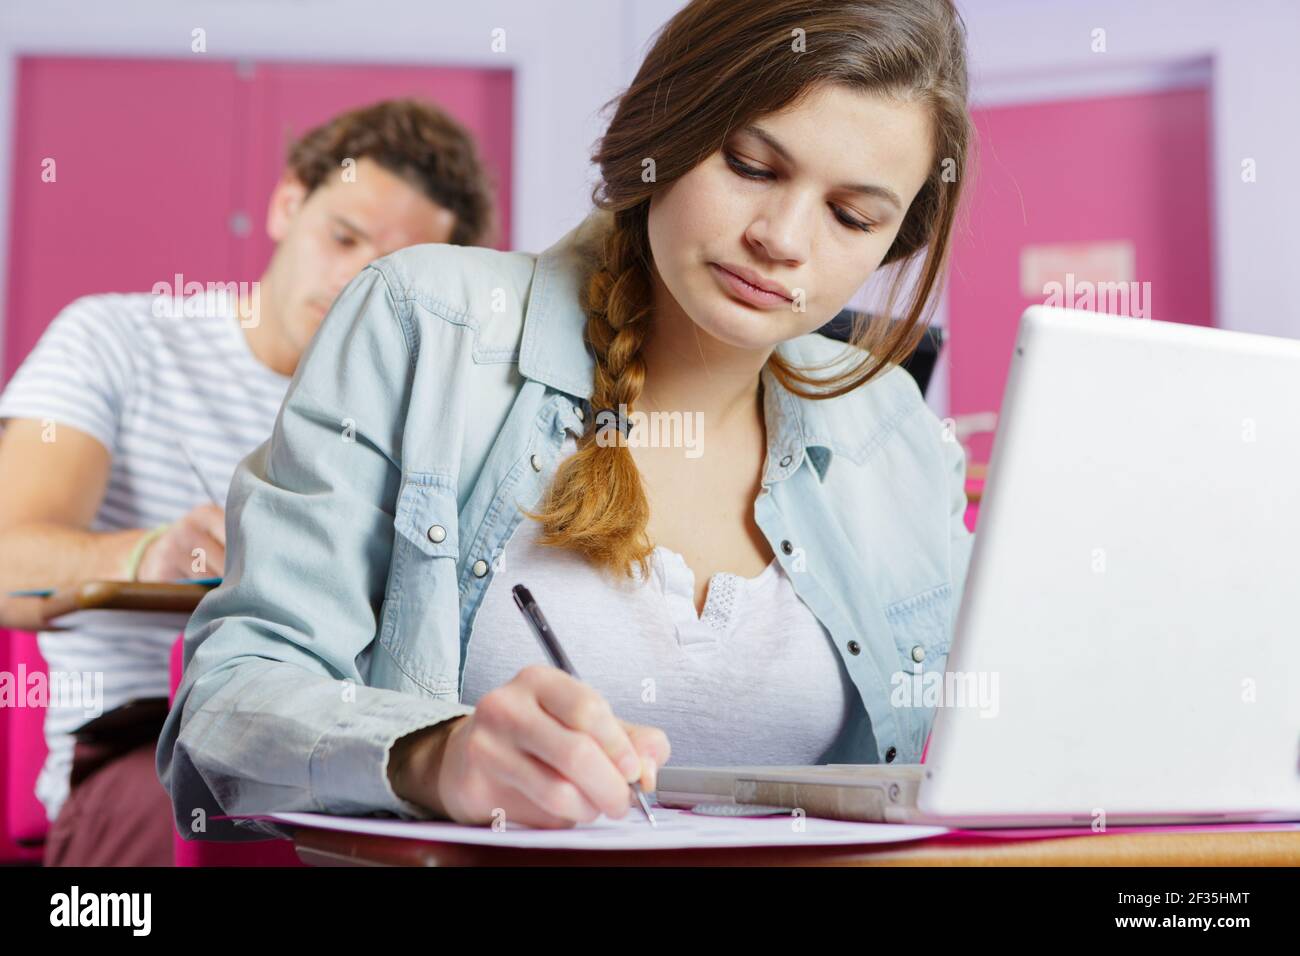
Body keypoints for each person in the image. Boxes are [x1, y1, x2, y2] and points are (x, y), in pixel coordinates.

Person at [159, 0, 975, 839]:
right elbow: (226, 707)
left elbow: (990, 735)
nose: (783, 239)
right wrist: (434, 757)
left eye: (852, 217)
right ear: (668, 127)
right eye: (751, 166)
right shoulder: (426, 323)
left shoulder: (892, 429)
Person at [0, 97, 497, 864]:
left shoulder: (426, 422)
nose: (349, 283)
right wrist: (146, 556)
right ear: (288, 203)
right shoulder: (113, 340)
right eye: (342, 237)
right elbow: (8, 559)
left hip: (351, 741)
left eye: (386, 273)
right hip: (142, 744)